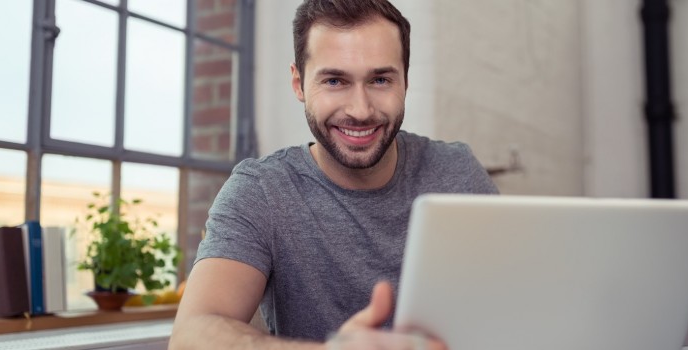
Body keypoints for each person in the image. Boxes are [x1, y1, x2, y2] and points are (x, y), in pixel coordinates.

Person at [170, 0, 497, 348]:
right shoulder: (261, 191)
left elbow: (524, 291)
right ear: (298, 84)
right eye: (335, 80)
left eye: (381, 79)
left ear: (405, 81)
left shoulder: (457, 171)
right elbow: (191, 335)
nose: (360, 109)